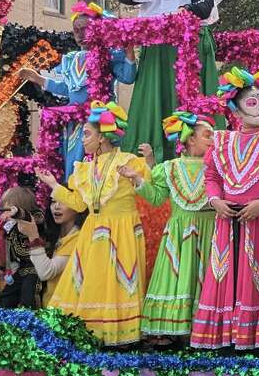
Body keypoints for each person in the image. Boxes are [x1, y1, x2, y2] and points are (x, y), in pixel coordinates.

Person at [191, 68, 259, 350]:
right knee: (227, 274)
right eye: (252, 103)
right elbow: (212, 177)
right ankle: (228, 337)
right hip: (228, 221)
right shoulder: (221, 141)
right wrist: (215, 200)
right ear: (235, 111)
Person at [110, 0, 225, 164]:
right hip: (158, 49)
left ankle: (194, 153)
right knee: (156, 97)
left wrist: (186, 10)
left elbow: (204, 8)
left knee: (187, 97)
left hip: (189, 48)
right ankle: (153, 158)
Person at [41, 103, 150, 347]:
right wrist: (52, 185)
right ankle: (92, 332)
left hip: (123, 230)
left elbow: (149, 193)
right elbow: (79, 204)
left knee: (120, 280)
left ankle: (122, 337)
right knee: (94, 280)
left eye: (87, 134)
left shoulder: (129, 161)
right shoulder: (84, 169)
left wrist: (144, 169)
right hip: (94, 231)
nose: (83, 140)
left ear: (102, 137)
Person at [120, 110, 217, 344]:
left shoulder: (218, 167)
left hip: (211, 232)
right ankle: (175, 332)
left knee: (206, 278)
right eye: (207, 135)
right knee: (180, 277)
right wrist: (137, 179)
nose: (213, 140)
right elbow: (155, 198)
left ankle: (205, 331)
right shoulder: (169, 168)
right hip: (179, 234)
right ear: (190, 139)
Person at [19, 2, 137, 180]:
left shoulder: (107, 54)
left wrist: (129, 55)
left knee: (97, 160)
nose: (81, 34)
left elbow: (127, 78)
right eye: (76, 30)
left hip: (99, 119)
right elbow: (68, 89)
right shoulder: (71, 59)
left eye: (86, 28)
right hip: (73, 120)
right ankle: (72, 196)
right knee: (72, 158)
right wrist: (38, 78)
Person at [25, 195, 84, 307]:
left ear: (78, 206)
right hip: (49, 305)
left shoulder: (78, 237)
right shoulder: (54, 235)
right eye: (53, 202)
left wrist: (32, 236)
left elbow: (46, 272)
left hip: (64, 313)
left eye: (63, 202)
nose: (56, 207)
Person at [0, 186, 40, 308]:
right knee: (6, 297)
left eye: (9, 208)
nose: (5, 212)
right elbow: (4, 250)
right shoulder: (8, 227)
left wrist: (17, 212)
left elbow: (27, 216)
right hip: (19, 269)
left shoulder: (32, 220)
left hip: (33, 269)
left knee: (28, 298)